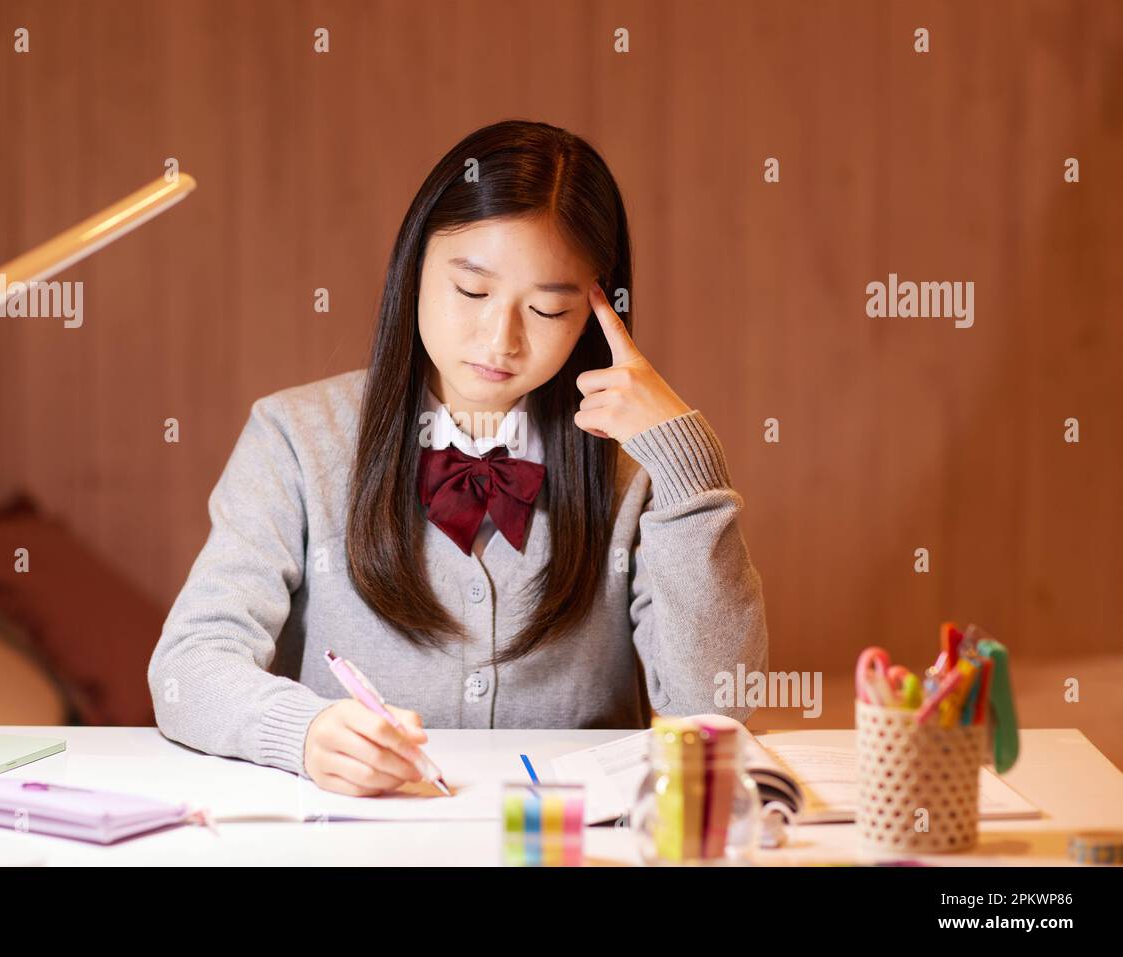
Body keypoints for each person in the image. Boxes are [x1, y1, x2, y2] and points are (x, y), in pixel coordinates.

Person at [148, 119, 768, 797]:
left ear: (597, 311)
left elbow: (718, 711)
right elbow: (189, 662)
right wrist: (302, 730)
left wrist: (689, 466)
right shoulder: (294, 437)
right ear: (414, 266)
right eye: (472, 292)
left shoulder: (640, 468)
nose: (498, 339)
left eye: (548, 309)